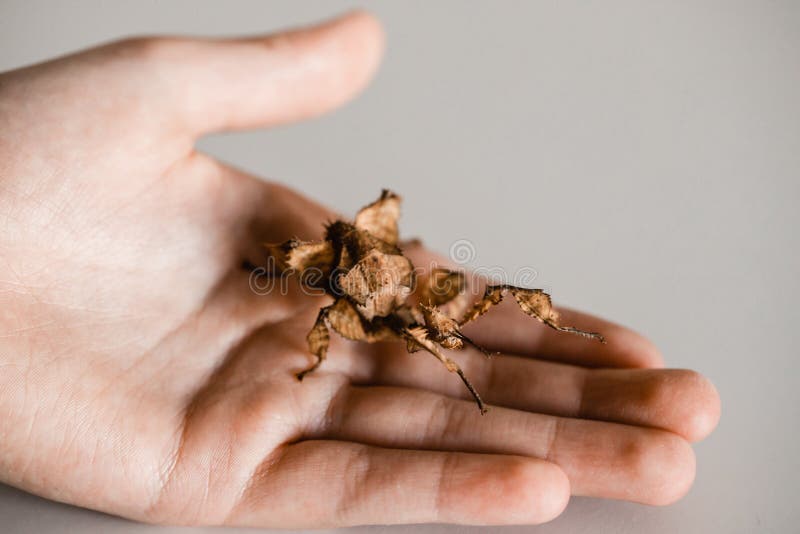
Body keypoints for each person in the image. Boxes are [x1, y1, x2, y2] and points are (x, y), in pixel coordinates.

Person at [0, 11, 719, 528]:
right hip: (348, 280)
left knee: (500, 294)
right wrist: (317, 349)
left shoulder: (425, 303)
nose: (441, 347)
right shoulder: (346, 300)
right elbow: (331, 310)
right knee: (317, 295)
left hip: (390, 282)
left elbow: (444, 301)